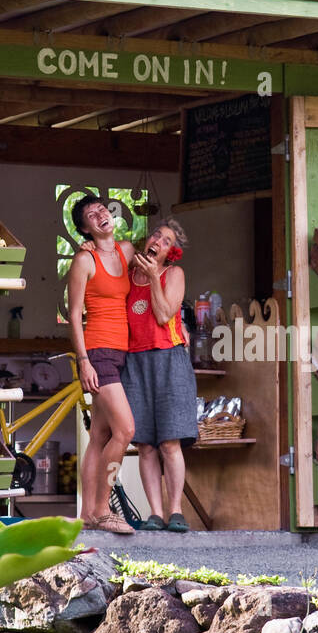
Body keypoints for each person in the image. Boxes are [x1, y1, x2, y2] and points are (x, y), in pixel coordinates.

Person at [122, 220, 199, 532]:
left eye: (166, 241)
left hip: (169, 357)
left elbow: (165, 314)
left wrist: (154, 277)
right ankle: (154, 513)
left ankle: (175, 511)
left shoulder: (173, 274)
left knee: (169, 442)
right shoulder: (127, 277)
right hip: (134, 361)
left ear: (172, 253)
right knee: (145, 445)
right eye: (156, 234)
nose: (158, 241)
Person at [66, 194, 136, 534]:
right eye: (91, 215)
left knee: (99, 435)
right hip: (98, 352)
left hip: (122, 352)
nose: (100, 215)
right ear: (85, 228)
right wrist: (84, 362)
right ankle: (104, 508)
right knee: (125, 430)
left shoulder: (126, 250)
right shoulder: (84, 261)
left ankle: (85, 514)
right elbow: (74, 316)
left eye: (102, 210)